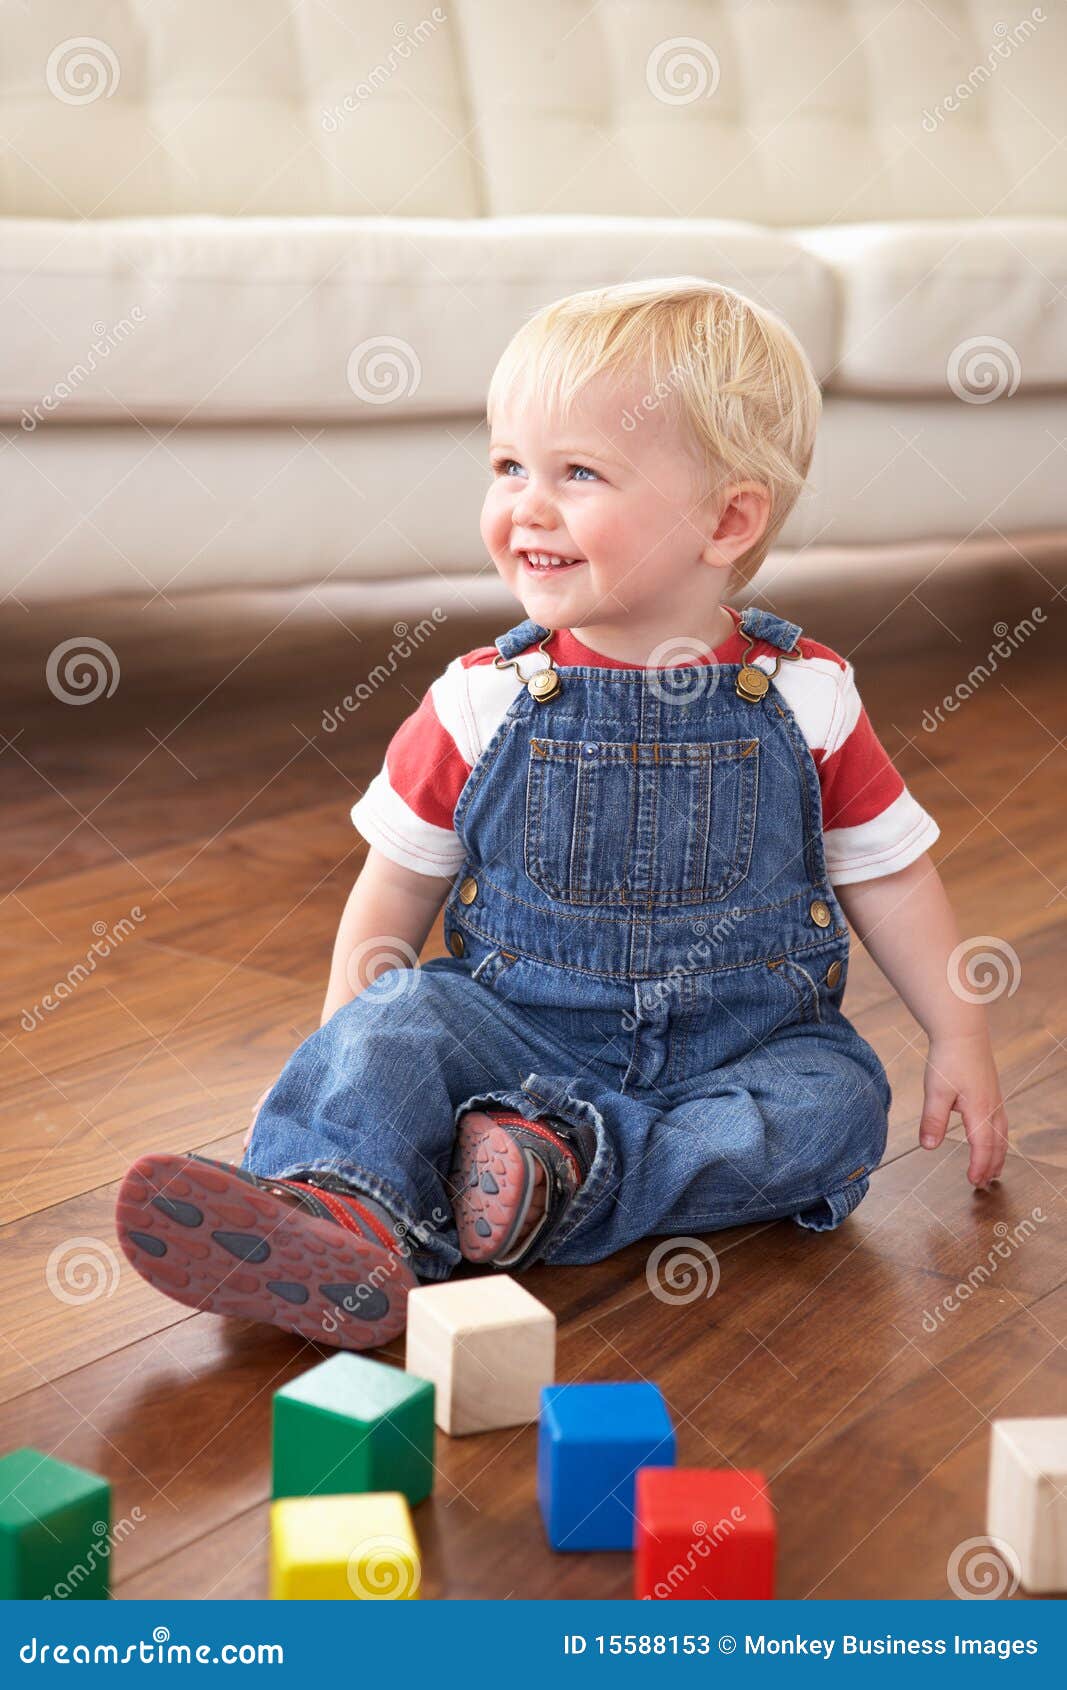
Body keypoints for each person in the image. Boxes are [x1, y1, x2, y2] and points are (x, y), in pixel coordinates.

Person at [115, 279, 1009, 1351]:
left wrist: (955, 1033)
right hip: (515, 1021)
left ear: (726, 520)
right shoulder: (478, 698)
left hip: (741, 1044)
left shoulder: (806, 692)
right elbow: (389, 898)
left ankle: (560, 1166)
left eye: (576, 473)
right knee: (399, 1021)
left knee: (835, 1109)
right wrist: (358, 1054)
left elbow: (888, 873)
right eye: (507, 468)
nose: (523, 506)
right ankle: (340, 1203)